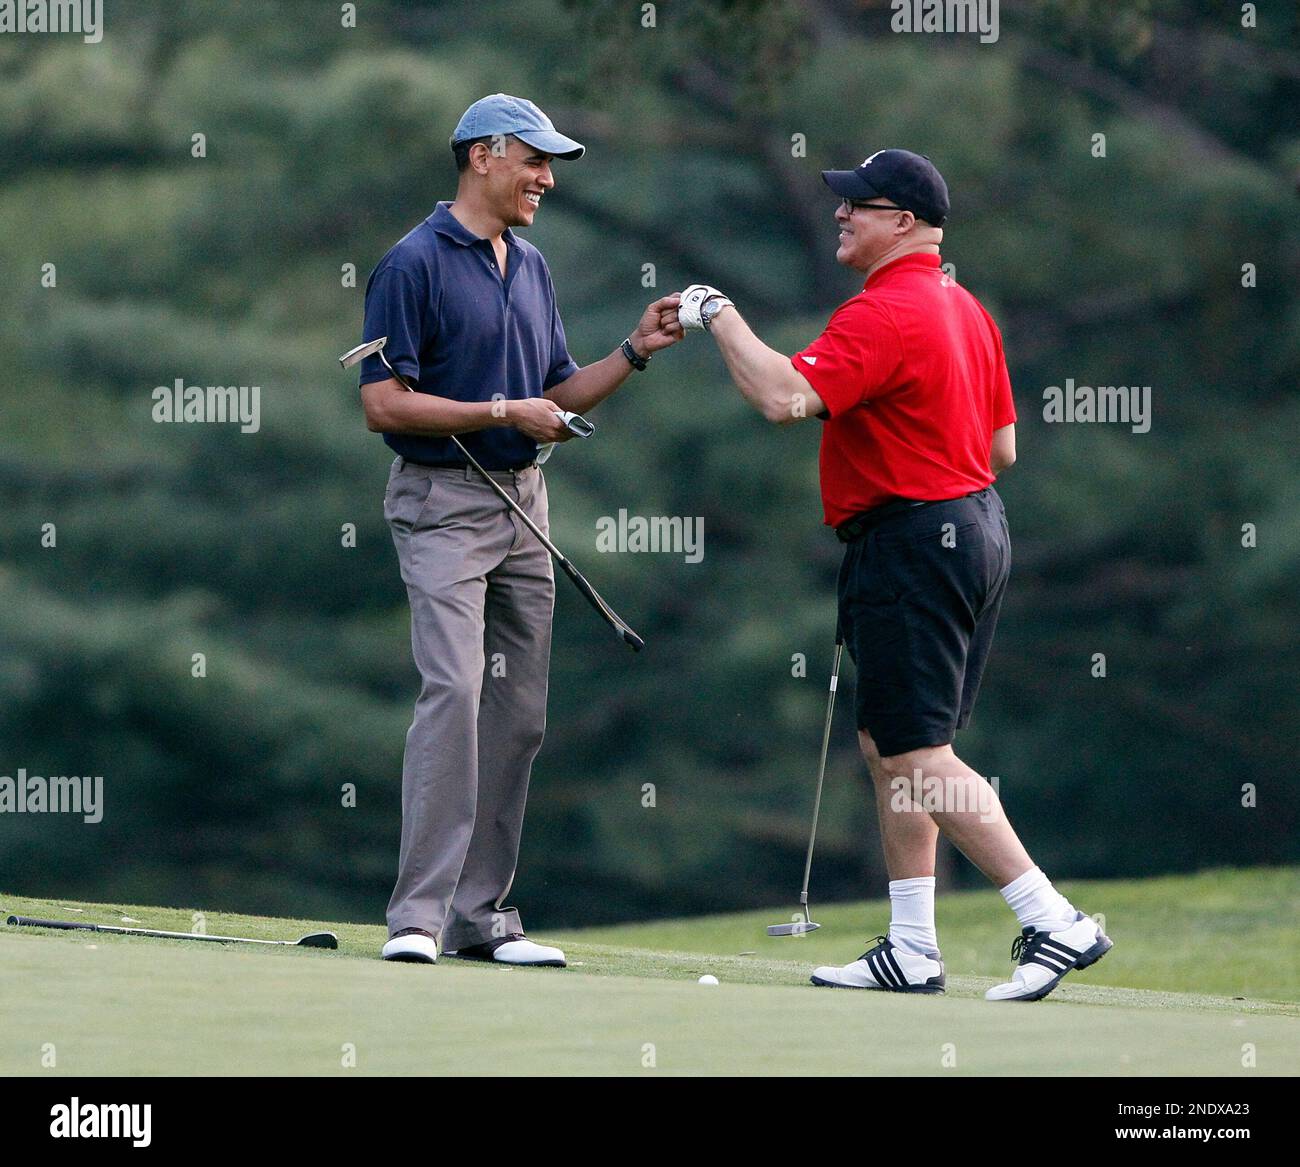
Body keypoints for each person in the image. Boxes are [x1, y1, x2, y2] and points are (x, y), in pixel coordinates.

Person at [676, 149, 1111, 1001]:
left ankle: (1051, 917)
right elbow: (1002, 448)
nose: (839, 215)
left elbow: (780, 398)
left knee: (916, 749)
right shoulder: (965, 307)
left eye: (856, 206)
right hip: (974, 526)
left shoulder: (883, 312)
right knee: (892, 745)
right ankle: (912, 945)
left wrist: (714, 312)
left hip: (915, 538)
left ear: (902, 222)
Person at [357, 93, 683, 967]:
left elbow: (560, 388)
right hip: (441, 506)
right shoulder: (412, 263)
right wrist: (501, 407)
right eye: (535, 160)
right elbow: (383, 402)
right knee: (454, 692)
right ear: (482, 156)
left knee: (519, 713)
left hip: (523, 505)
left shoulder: (529, 264)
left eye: (550, 164)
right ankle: (418, 918)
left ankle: (481, 916)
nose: (547, 178)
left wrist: (636, 350)